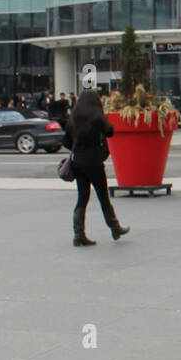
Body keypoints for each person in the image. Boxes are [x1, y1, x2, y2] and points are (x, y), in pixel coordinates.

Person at [62, 89, 128, 246]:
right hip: (94, 162)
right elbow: (110, 132)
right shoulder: (97, 117)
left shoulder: (73, 119)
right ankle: (115, 227)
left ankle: (78, 235)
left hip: (78, 163)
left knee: (82, 198)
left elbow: (65, 142)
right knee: (103, 197)